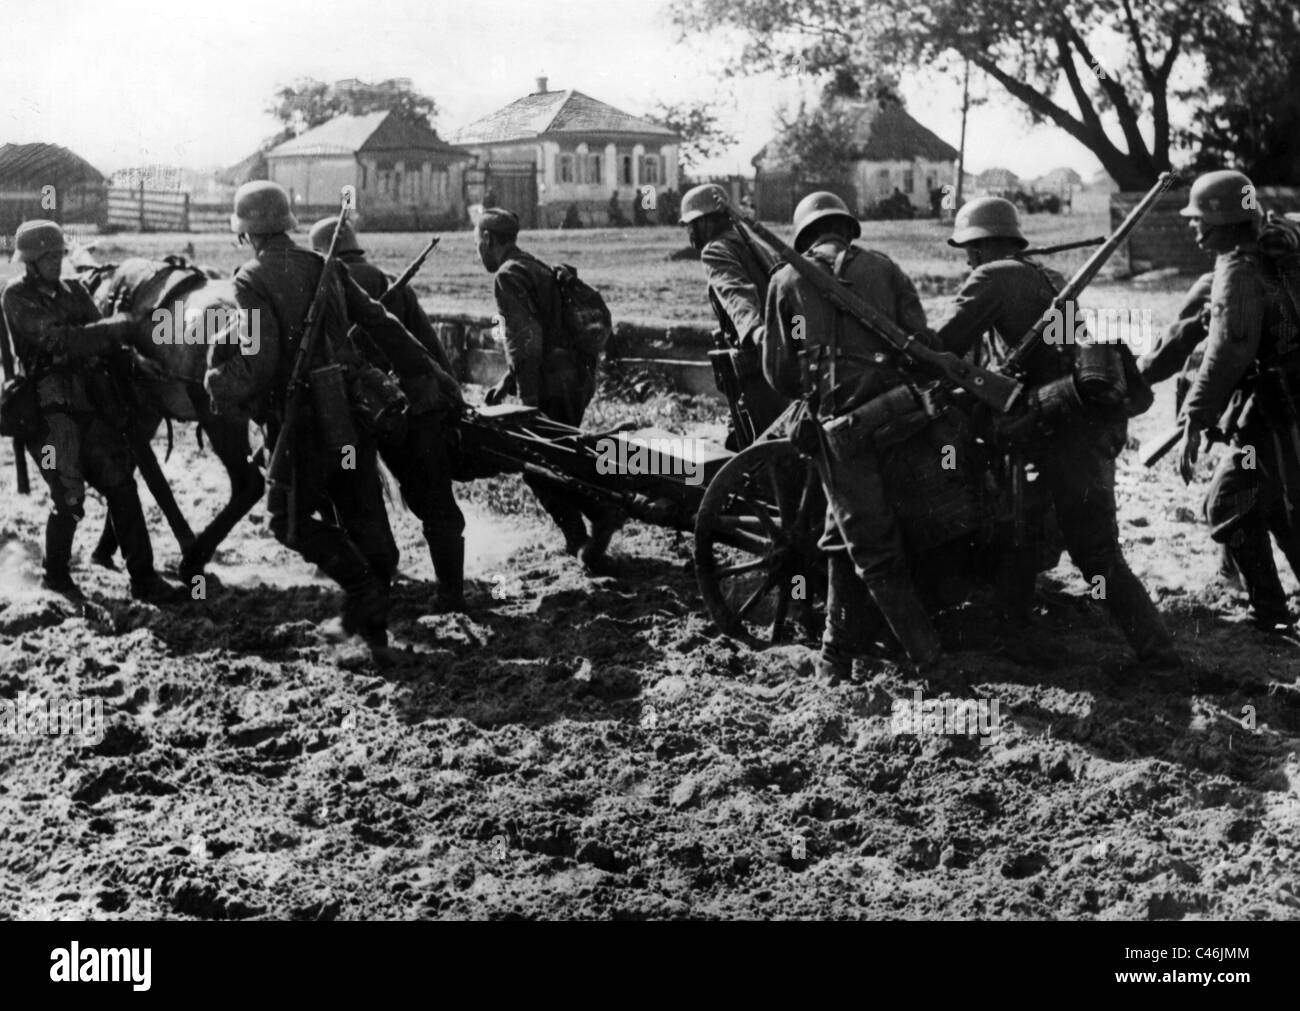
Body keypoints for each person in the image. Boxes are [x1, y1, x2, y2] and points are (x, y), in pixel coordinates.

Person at [935, 197, 1180, 669]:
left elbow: (945, 344)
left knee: (1095, 553)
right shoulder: (1051, 279)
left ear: (987, 244)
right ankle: (1014, 622)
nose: (967, 258)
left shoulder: (992, 277)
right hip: (1076, 419)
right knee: (1022, 521)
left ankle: (1160, 655)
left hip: (1061, 430)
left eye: (970, 248)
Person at [205, 181, 442, 648]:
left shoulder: (249, 280)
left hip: (304, 426)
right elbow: (379, 320)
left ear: (246, 233)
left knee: (286, 522)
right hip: (351, 420)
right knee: (361, 510)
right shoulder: (323, 264)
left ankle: (362, 591)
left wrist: (216, 382)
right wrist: (429, 373)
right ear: (287, 225)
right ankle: (374, 630)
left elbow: (257, 362)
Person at [763, 191, 949, 683]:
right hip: (899, 422)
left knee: (873, 550)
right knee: (839, 538)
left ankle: (934, 665)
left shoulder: (786, 281)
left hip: (843, 434)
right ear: (848, 231)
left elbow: (778, 372)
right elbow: (921, 343)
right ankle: (835, 656)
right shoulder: (885, 270)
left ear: (805, 236)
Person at [2, 219, 182, 603]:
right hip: (46, 410)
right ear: (29, 262)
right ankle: (56, 576)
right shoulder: (16, 296)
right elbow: (56, 340)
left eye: (59, 254)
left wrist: (134, 357)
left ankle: (144, 578)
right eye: (47, 256)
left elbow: (101, 340)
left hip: (87, 401)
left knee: (121, 481)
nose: (56, 261)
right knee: (68, 495)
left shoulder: (73, 290)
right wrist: (117, 328)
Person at [308, 216, 468, 612]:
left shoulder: (317, 288)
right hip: (410, 405)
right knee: (433, 500)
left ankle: (377, 575)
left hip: (351, 414)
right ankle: (450, 593)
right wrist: (448, 391)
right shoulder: (384, 279)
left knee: (357, 493)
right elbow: (428, 347)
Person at [1171, 170, 1300, 639]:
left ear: (1223, 220)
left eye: (1199, 217)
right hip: (1277, 407)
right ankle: (1271, 610)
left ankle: (1272, 612)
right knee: (1260, 504)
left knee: (1237, 501)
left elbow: (1227, 352)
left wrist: (1194, 420)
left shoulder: (1238, 271)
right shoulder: (1280, 245)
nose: (1192, 226)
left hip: (1280, 410)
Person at [475, 206, 622, 572]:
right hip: (576, 378)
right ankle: (589, 529)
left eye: (477, 241)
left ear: (488, 239)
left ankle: (592, 522)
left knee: (536, 463)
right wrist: (506, 383)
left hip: (552, 384)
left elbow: (526, 342)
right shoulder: (536, 266)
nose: (478, 249)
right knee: (563, 456)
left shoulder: (508, 276)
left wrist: (527, 404)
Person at [678, 183, 790, 446]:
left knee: (762, 443)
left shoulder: (715, 250)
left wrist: (756, 332)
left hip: (758, 364)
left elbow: (737, 294)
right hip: (785, 357)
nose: (689, 233)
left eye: (690, 226)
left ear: (704, 222)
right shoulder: (756, 244)